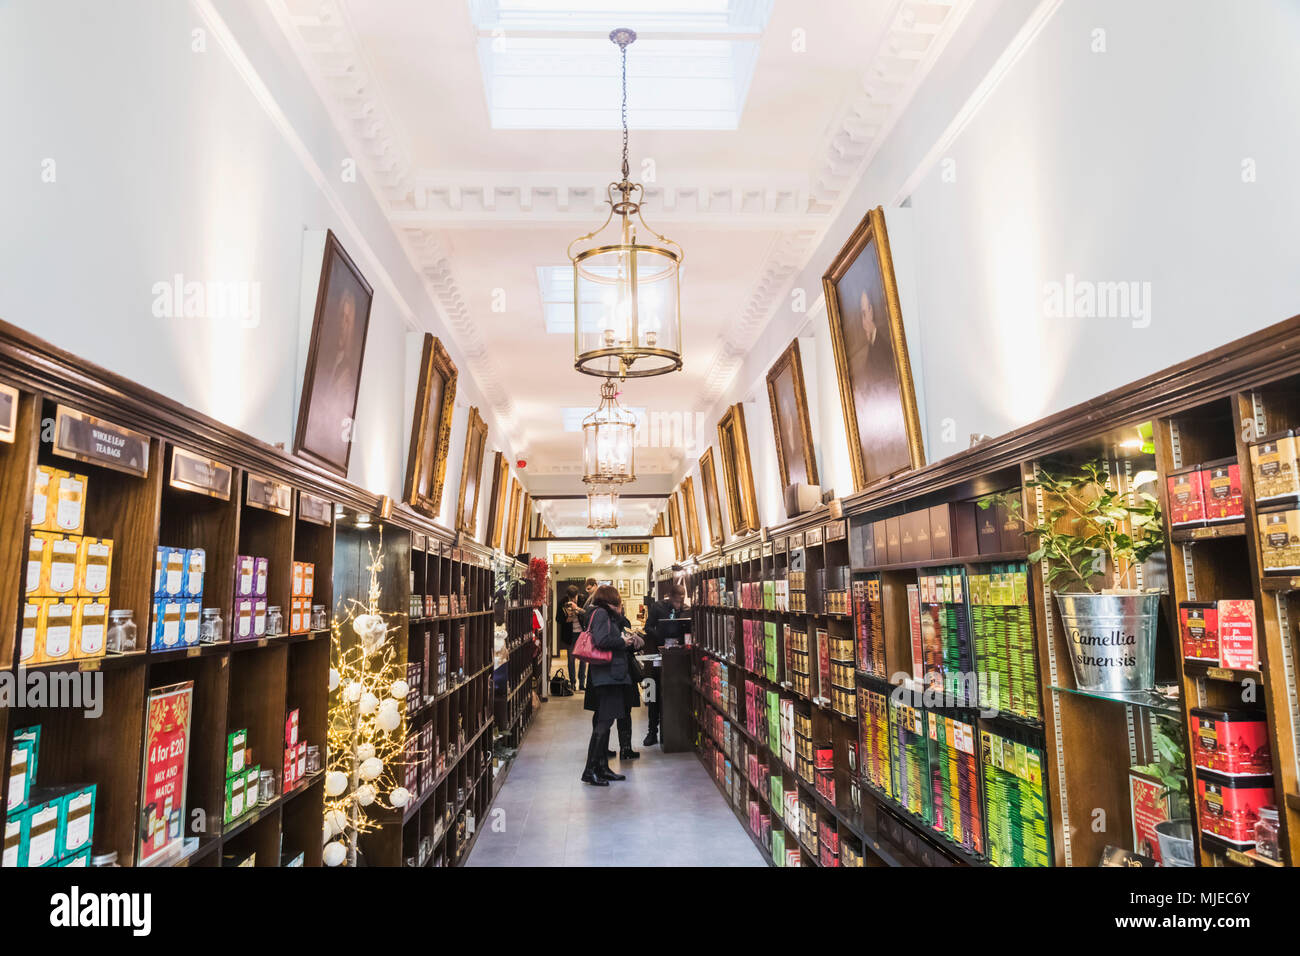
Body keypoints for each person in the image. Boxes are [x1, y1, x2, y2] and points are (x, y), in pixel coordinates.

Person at [580, 585, 641, 786]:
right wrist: (623, 642)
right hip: (608, 675)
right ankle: (590, 770)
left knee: (605, 721)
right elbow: (602, 640)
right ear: (611, 600)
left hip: (609, 675)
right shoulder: (600, 614)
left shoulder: (602, 614)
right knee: (604, 722)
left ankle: (602, 767)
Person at [641, 584, 685, 746]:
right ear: (670, 597)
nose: (678, 605)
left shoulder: (684, 610)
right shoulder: (657, 607)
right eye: (676, 601)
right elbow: (647, 627)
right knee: (652, 693)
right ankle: (652, 732)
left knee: (671, 694)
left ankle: (672, 732)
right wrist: (659, 635)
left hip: (674, 659)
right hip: (655, 658)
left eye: (681, 602)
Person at [555, 585, 585, 690]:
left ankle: (582, 683)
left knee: (583, 659)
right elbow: (558, 619)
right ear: (567, 596)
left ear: (577, 595)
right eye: (571, 598)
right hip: (570, 634)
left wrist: (577, 609)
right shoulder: (562, 602)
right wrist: (566, 620)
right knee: (571, 659)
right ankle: (572, 683)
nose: (573, 600)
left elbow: (587, 615)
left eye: (574, 597)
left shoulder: (582, 599)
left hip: (582, 633)